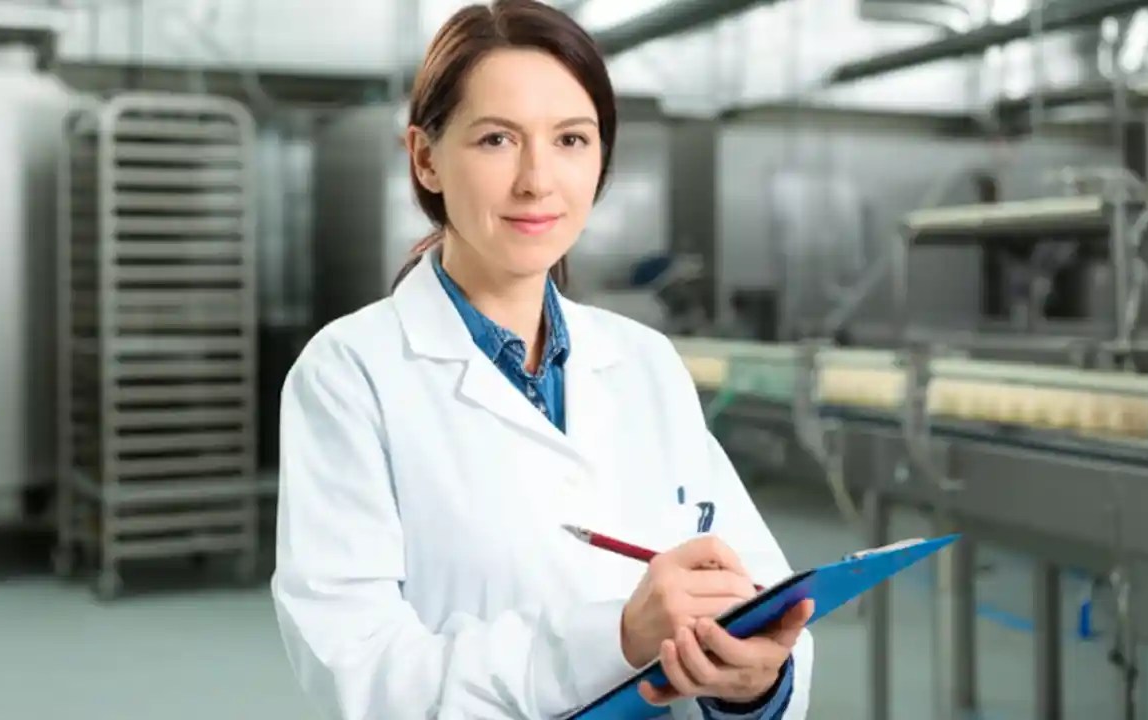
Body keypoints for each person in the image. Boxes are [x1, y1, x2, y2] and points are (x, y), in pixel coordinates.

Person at [271, 1, 814, 718]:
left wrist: (756, 681)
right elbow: (359, 668)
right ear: (425, 158)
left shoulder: (645, 363)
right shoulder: (350, 375)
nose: (538, 180)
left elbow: (760, 591)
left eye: (571, 140)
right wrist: (615, 640)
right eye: (497, 140)